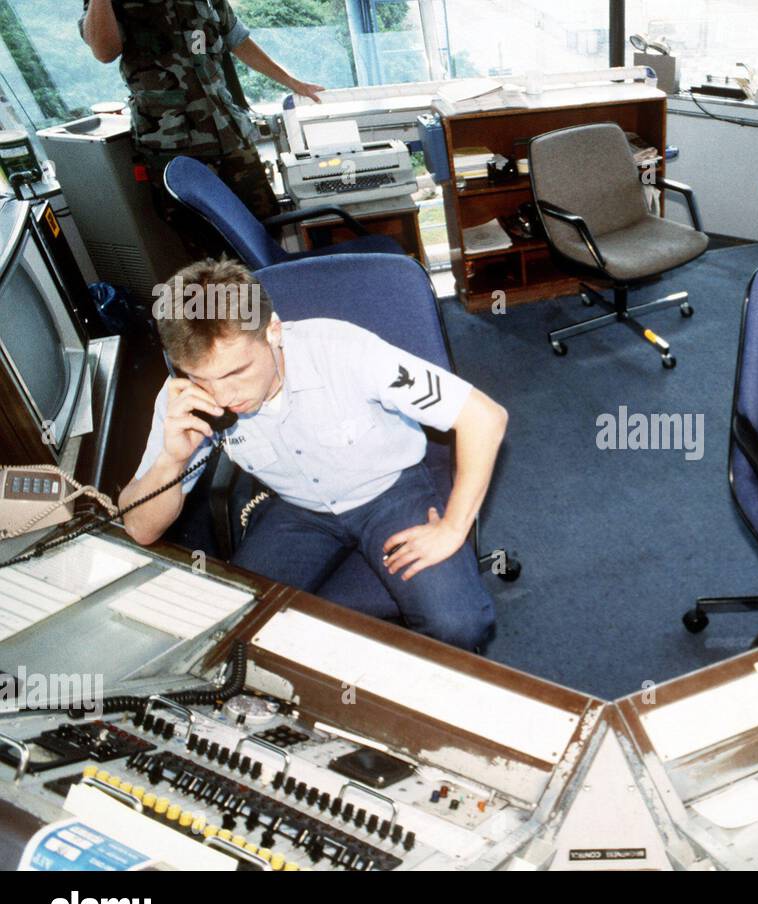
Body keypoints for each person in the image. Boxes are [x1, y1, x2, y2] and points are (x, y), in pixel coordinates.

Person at [119, 258, 508, 651]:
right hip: (298, 507)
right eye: (202, 379)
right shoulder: (186, 397)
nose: (222, 397)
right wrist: (172, 461)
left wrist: (454, 527)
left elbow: (485, 417)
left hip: (390, 492)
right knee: (233, 624)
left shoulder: (345, 352)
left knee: (458, 624)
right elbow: (139, 528)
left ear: (272, 332)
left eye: (235, 373)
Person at [80, 0, 324, 221]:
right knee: (203, 244)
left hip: (231, 136)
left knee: (266, 225)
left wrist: (292, 83)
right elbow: (104, 51)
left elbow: (238, 40)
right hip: (173, 147)